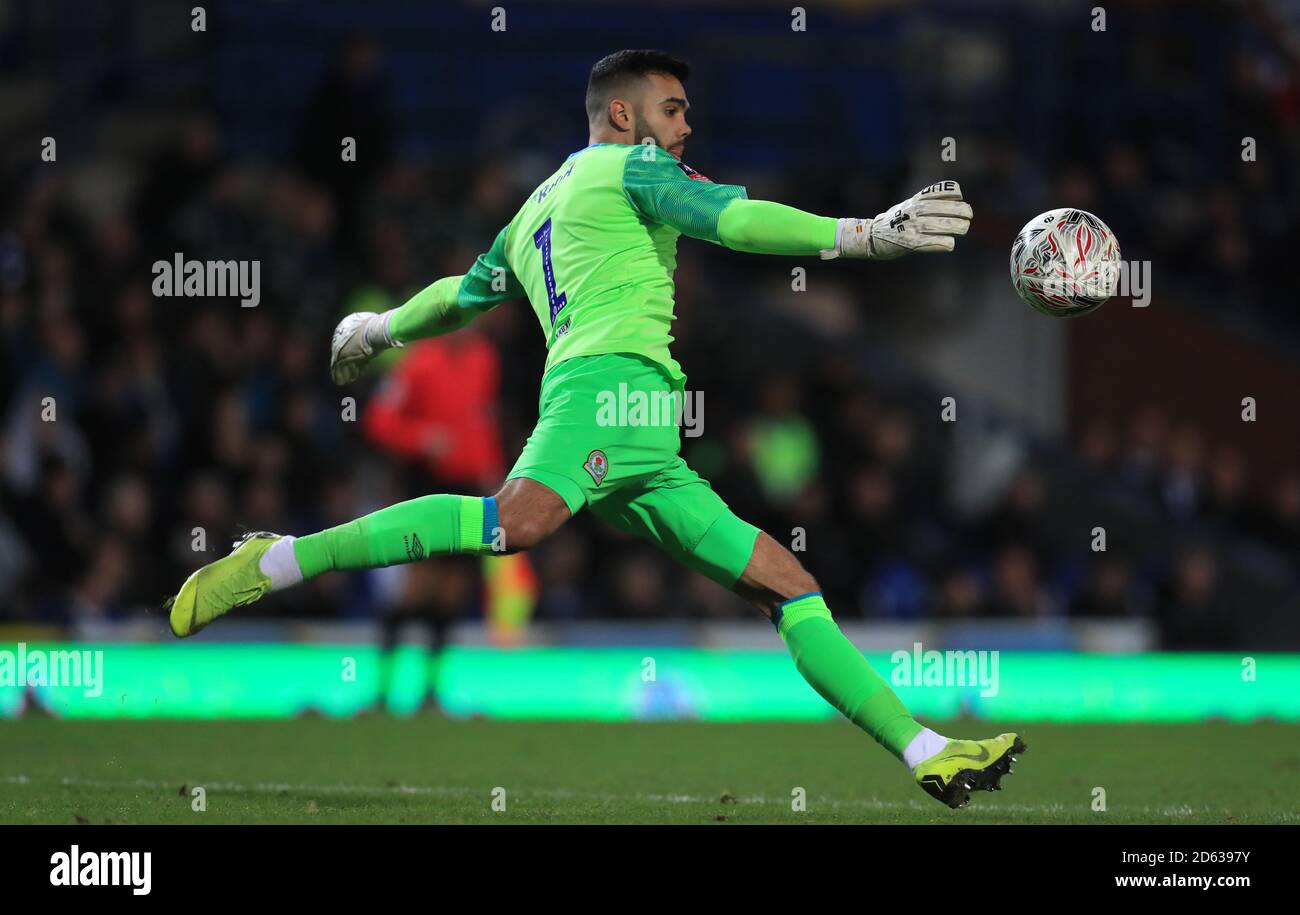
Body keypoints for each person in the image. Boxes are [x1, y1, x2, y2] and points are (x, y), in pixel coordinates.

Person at [164, 49, 1022, 808]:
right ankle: (273, 559)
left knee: (784, 581)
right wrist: (865, 235)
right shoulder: (633, 170)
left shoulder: (534, 205)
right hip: (603, 393)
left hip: (647, 431)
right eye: (673, 108)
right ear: (623, 114)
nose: (687, 125)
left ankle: (927, 751)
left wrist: (382, 325)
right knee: (514, 524)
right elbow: (739, 220)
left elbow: (461, 297)